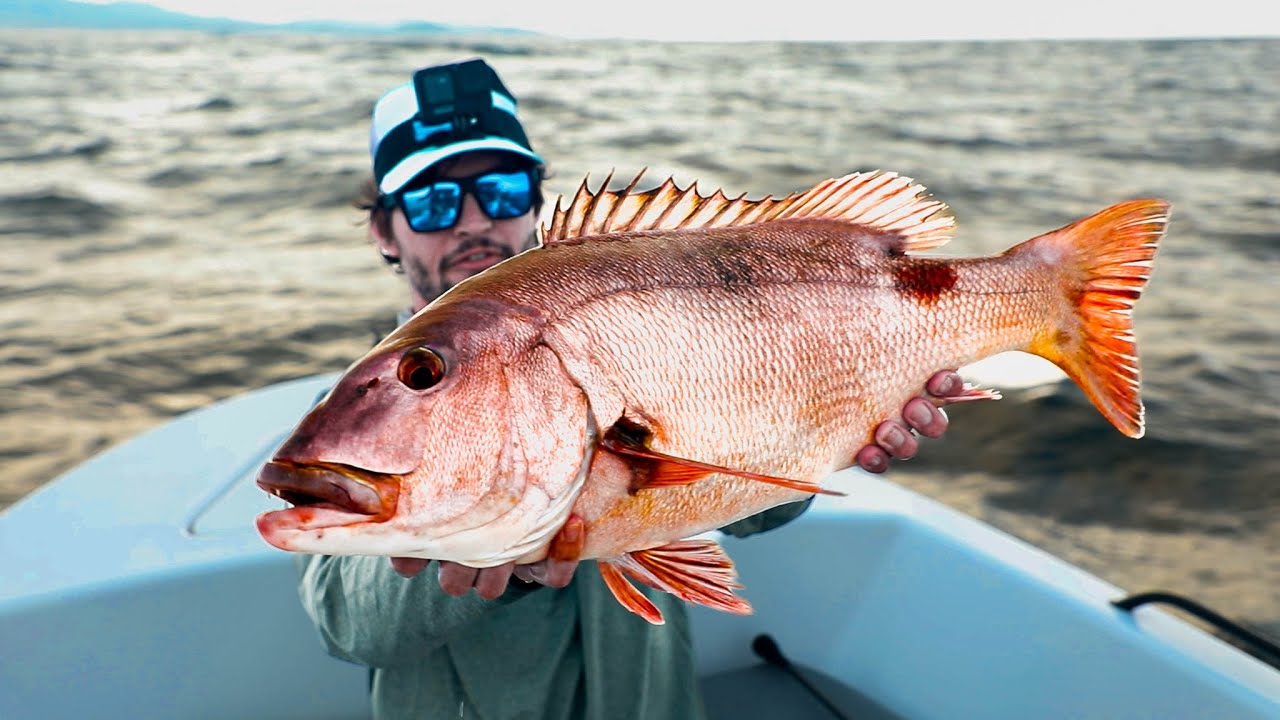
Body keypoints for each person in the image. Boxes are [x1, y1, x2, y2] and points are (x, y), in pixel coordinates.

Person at [296, 57, 964, 719]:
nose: (474, 221)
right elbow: (348, 623)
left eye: (501, 190)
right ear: (384, 229)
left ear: (535, 197)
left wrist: (846, 422)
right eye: (433, 199)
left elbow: (755, 505)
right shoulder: (349, 427)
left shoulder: (638, 322)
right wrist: (477, 545)